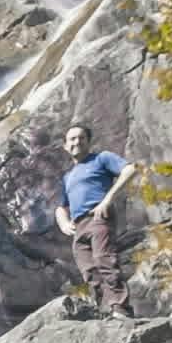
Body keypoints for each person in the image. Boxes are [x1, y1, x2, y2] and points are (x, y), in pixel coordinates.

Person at [53, 122, 139, 316]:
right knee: (89, 271)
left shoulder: (101, 159)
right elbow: (60, 207)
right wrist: (64, 224)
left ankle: (121, 308)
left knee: (104, 260)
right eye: (72, 139)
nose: (77, 142)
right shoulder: (68, 177)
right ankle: (105, 310)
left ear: (88, 142)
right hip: (78, 226)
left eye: (81, 138)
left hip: (98, 217)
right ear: (66, 146)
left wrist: (108, 199)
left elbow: (130, 169)